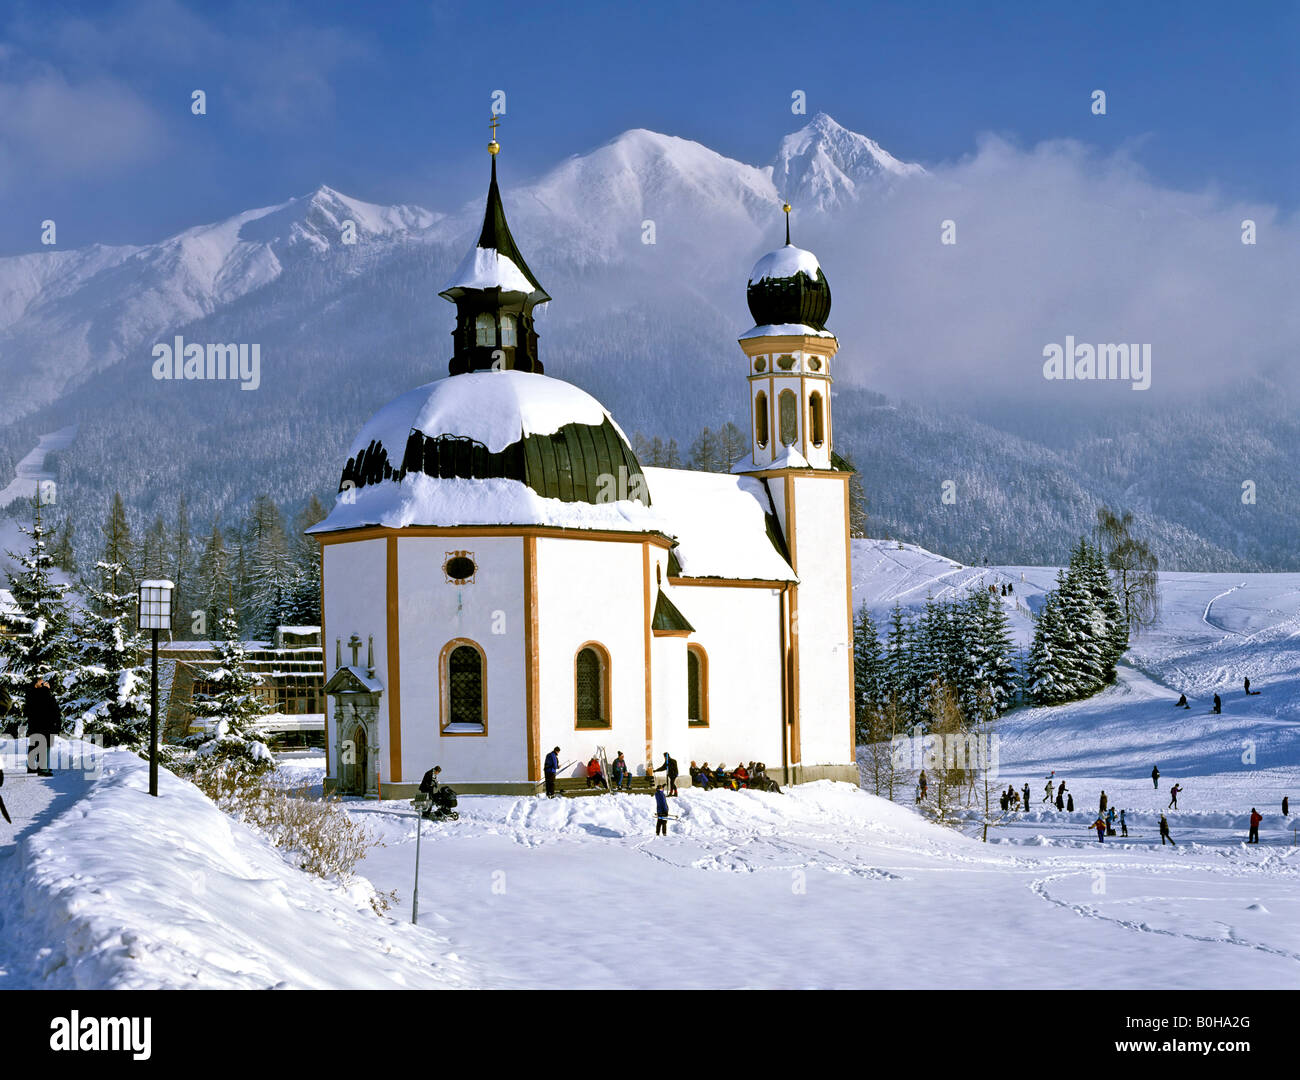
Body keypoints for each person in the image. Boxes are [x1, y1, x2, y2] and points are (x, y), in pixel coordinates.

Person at [24, 676, 61, 777]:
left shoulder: (32, 693)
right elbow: (47, 704)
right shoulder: (39, 694)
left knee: (35, 744)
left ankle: (32, 766)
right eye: (41, 683)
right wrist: (46, 690)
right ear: (36, 685)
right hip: (45, 723)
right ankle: (43, 769)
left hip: (36, 724)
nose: (44, 684)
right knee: (44, 744)